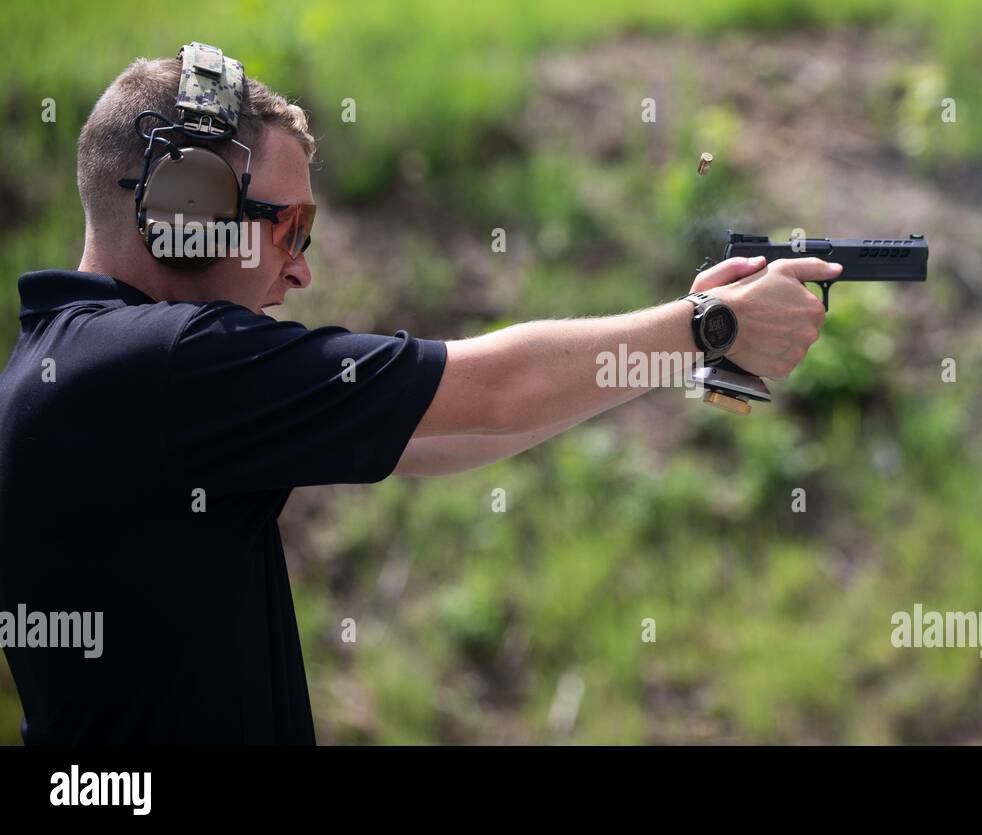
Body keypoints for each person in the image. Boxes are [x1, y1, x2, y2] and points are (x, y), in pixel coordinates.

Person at [0, 50, 833, 744]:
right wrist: (704, 329)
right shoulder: (160, 362)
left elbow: (450, 431)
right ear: (186, 212)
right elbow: (494, 387)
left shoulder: (80, 364)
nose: (302, 267)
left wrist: (676, 347)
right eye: (286, 228)